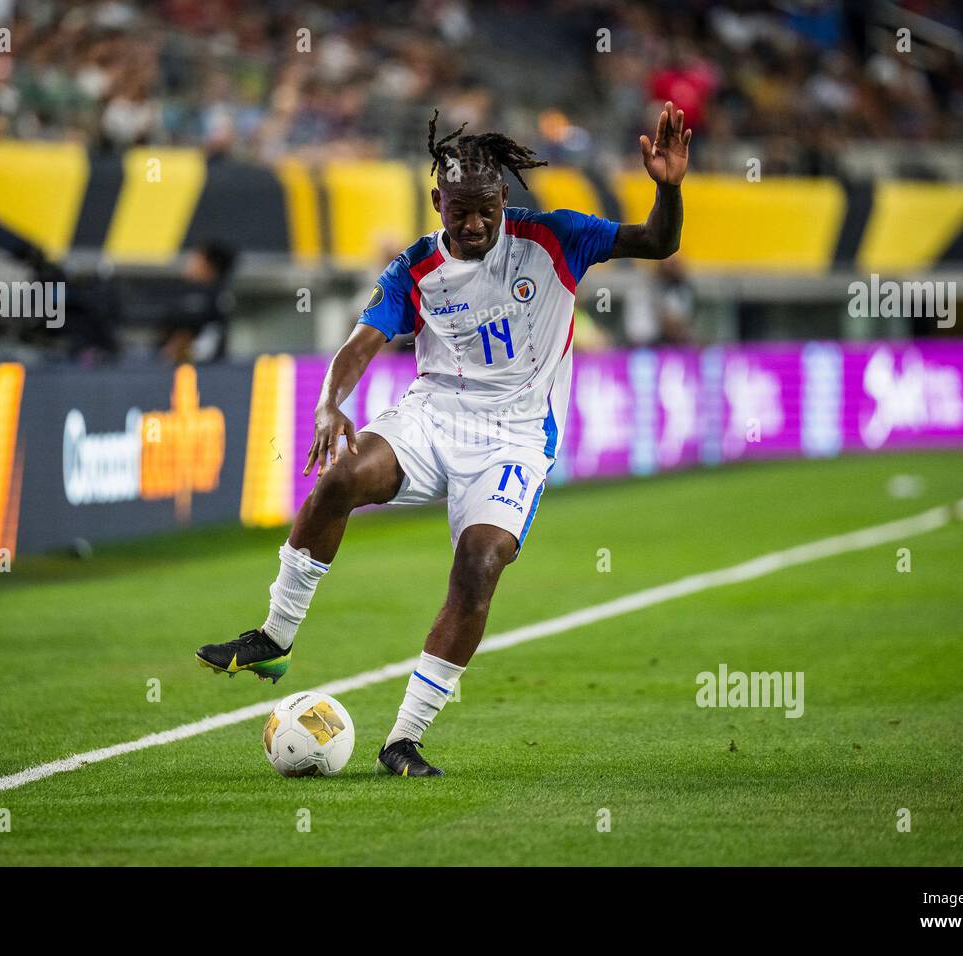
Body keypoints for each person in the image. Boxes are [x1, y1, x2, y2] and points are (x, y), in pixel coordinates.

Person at [196, 102, 691, 777]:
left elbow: (656, 244)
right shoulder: (416, 267)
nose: (475, 222)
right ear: (437, 200)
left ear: (504, 199)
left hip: (515, 438)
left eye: (486, 207)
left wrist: (667, 187)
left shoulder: (557, 238)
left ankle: (403, 739)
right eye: (460, 209)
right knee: (340, 477)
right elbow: (363, 338)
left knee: (479, 562)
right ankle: (275, 637)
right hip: (432, 417)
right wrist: (327, 405)